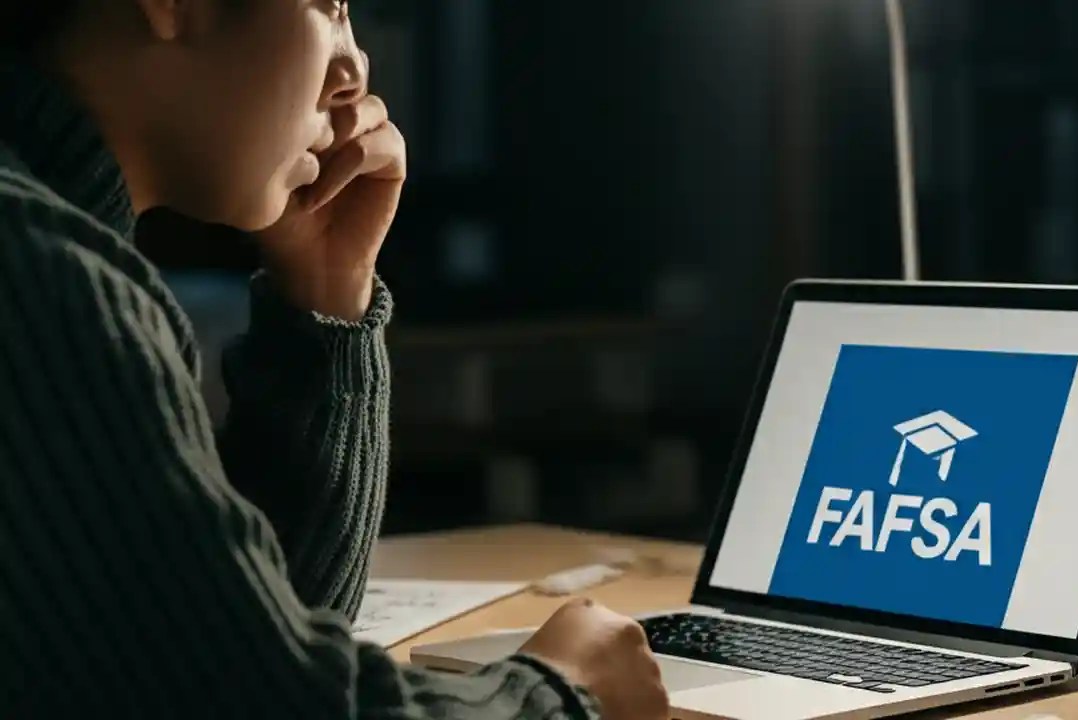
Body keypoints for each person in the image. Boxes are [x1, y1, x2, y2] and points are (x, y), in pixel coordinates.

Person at [0, 1, 668, 718]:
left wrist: (326, 291)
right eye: (331, 6)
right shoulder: (40, 274)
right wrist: (561, 694)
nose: (354, 71)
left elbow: (241, 640)